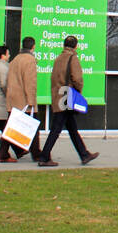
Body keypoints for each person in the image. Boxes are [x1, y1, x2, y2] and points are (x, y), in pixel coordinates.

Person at [38, 35, 98, 166]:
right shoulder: (73, 58)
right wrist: (79, 90)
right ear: (76, 46)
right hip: (67, 98)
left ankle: (84, 154)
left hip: (59, 97)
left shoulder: (58, 58)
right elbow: (77, 79)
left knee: (71, 129)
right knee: (56, 129)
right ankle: (44, 157)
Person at [5, 37, 43, 162]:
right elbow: (30, 82)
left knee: (12, 126)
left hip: (13, 99)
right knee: (33, 127)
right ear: (33, 47)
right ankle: (36, 154)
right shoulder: (30, 60)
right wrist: (31, 101)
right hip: (24, 100)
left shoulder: (15, 59)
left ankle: (4, 153)